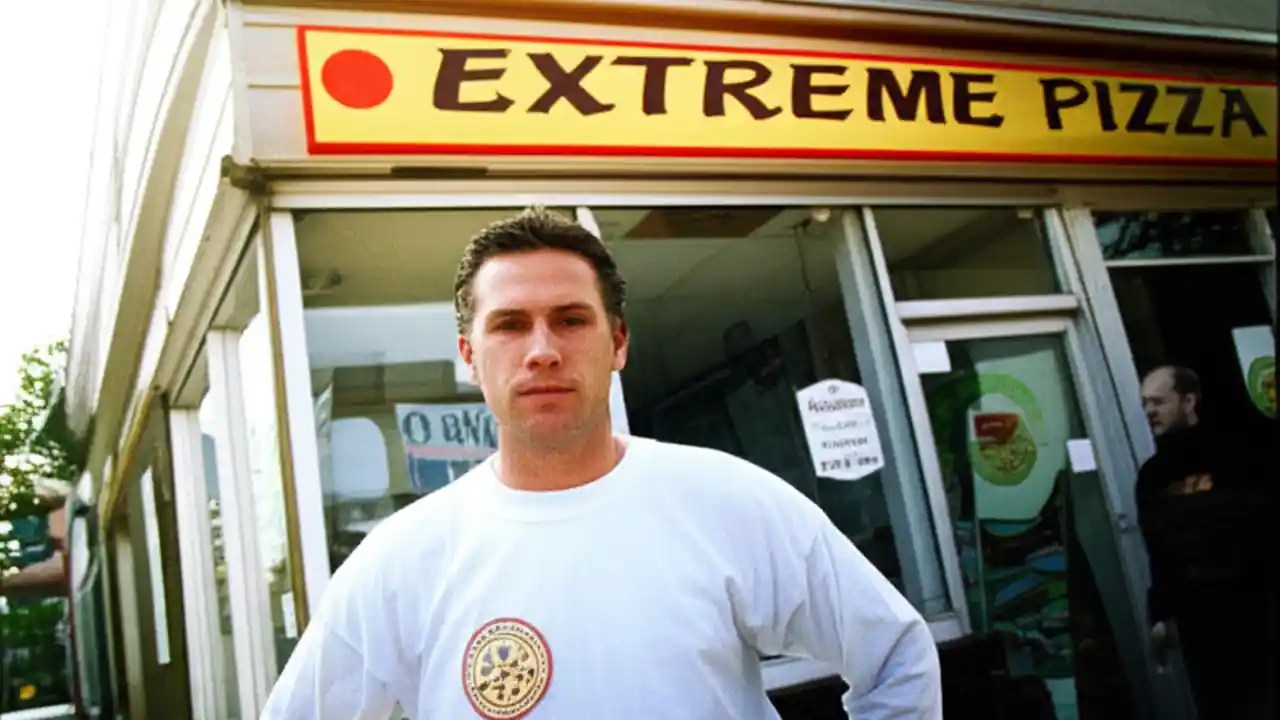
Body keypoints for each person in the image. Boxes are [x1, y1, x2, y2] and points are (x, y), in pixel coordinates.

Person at [263, 208, 941, 719]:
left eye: (570, 319)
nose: (542, 350)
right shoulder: (400, 561)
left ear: (617, 343)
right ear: (469, 356)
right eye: (509, 325)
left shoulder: (728, 500)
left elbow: (898, 657)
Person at [1136, 365, 1274, 718]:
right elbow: (1158, 550)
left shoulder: (1236, 453)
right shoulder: (1152, 476)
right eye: (1144, 403)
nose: (1150, 411)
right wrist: (1162, 613)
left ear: (1188, 401)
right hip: (1200, 620)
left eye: (1158, 402)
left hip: (1254, 606)